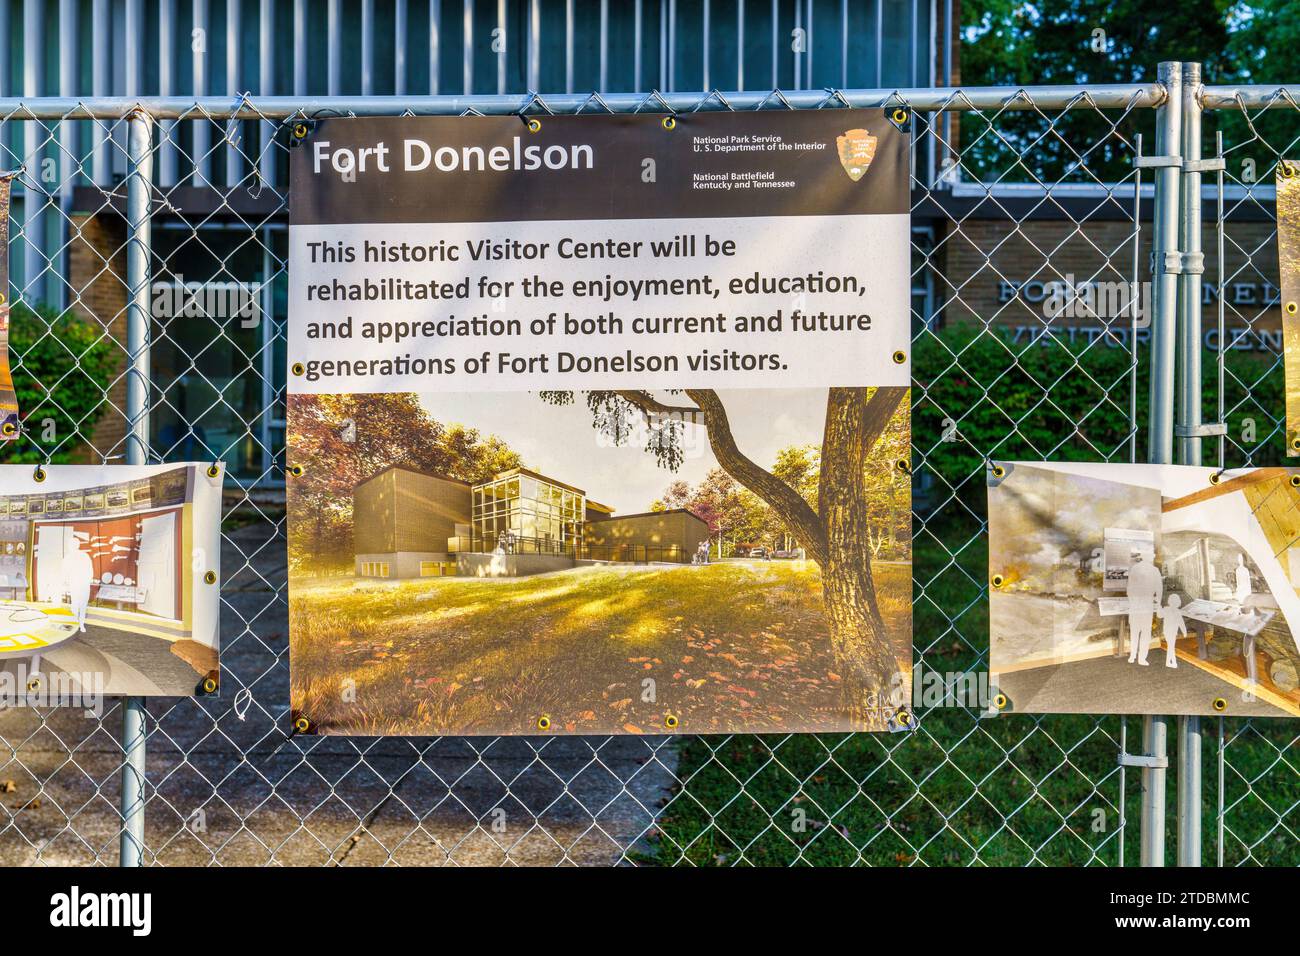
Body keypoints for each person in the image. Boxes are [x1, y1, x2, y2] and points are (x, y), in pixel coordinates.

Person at [1125, 547, 1163, 666]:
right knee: (1144, 632)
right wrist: (1158, 602)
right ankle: (1140, 658)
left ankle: (1134, 656)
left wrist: (1132, 600)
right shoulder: (1153, 570)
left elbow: (1129, 589)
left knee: (1136, 631)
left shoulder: (1135, 568)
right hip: (1145, 604)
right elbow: (1159, 589)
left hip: (1138, 604)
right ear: (1149, 557)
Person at [1157, 594, 1187, 669]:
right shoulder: (1166, 610)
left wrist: (1184, 631)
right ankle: (1173, 662)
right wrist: (1159, 607)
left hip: (1173, 632)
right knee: (1171, 647)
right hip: (1168, 631)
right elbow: (1159, 615)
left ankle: (1169, 662)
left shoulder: (1177, 611)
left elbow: (1181, 622)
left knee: (1171, 646)